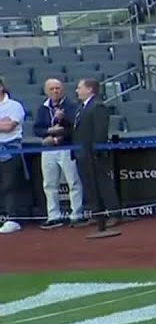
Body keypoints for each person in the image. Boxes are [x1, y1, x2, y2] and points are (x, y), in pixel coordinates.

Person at [71, 77, 122, 230]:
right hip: (82, 153)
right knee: (89, 185)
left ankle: (114, 213)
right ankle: (97, 214)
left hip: (94, 154)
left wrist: (96, 150)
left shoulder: (97, 106)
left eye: (79, 87)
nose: (77, 91)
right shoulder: (81, 107)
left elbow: (100, 131)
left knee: (103, 183)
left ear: (89, 89)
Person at [33, 77, 85, 228]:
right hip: (48, 150)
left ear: (62, 90)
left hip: (67, 147)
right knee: (49, 184)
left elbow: (75, 127)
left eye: (58, 88)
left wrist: (58, 135)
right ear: (46, 91)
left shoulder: (71, 106)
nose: (55, 91)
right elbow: (37, 129)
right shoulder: (42, 108)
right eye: (52, 89)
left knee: (73, 182)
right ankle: (53, 215)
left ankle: (77, 214)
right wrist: (49, 131)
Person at [0, 77, 28, 234]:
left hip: (10, 150)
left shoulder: (14, 106)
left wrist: (5, 125)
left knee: (9, 184)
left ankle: (13, 218)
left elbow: (10, 126)